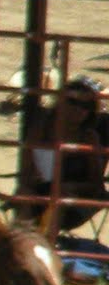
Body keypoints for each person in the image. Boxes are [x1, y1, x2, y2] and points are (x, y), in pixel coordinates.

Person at [15, 75, 109, 231]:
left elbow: (97, 185)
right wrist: (32, 178)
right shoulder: (41, 129)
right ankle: (21, 240)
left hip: (75, 196)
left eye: (86, 106)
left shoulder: (89, 137)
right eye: (73, 102)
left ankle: (48, 241)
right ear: (61, 102)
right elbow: (25, 172)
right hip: (41, 189)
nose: (79, 109)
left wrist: (71, 187)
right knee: (24, 193)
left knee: (59, 199)